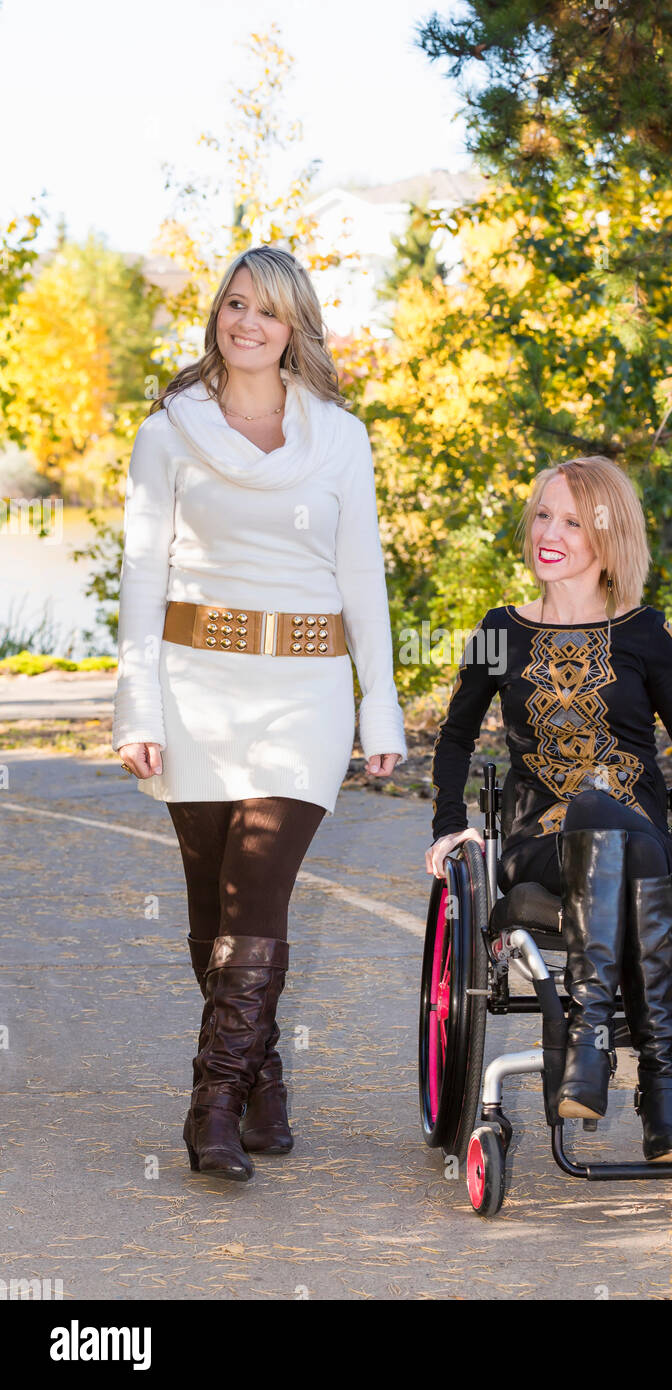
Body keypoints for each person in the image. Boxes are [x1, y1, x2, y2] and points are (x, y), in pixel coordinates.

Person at [113, 245, 406, 1181]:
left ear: (294, 329)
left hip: (306, 693)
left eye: (268, 311)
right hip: (195, 686)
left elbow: (362, 575)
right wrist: (136, 705)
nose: (247, 322)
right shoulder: (169, 432)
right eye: (235, 304)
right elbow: (140, 575)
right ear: (217, 316)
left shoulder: (340, 438)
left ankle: (212, 1106)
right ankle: (264, 1079)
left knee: (258, 891)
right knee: (213, 908)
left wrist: (381, 710)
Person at [425, 456, 672, 1162]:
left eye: (572, 522)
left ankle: (589, 1036)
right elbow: (455, 737)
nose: (549, 532)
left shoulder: (644, 633)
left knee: (609, 812)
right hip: (538, 848)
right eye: (543, 515)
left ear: (607, 539)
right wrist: (449, 822)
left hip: (643, 843)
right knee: (587, 804)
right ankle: (662, 1083)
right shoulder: (499, 630)